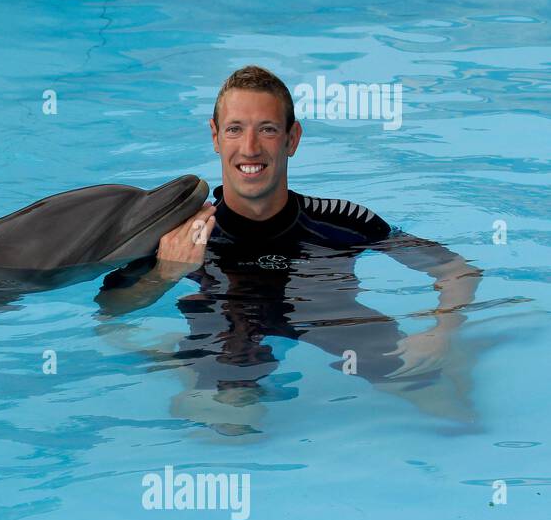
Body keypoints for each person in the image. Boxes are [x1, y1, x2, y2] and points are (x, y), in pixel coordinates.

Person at [96, 66, 482, 432]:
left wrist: (442, 332)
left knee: (453, 417)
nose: (249, 148)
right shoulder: (181, 233)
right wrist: (166, 272)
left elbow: (457, 270)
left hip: (329, 316)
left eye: (266, 129)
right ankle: (185, 362)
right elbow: (111, 311)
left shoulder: (342, 220)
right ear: (215, 137)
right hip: (229, 330)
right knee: (233, 425)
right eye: (235, 129)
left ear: (291, 138)